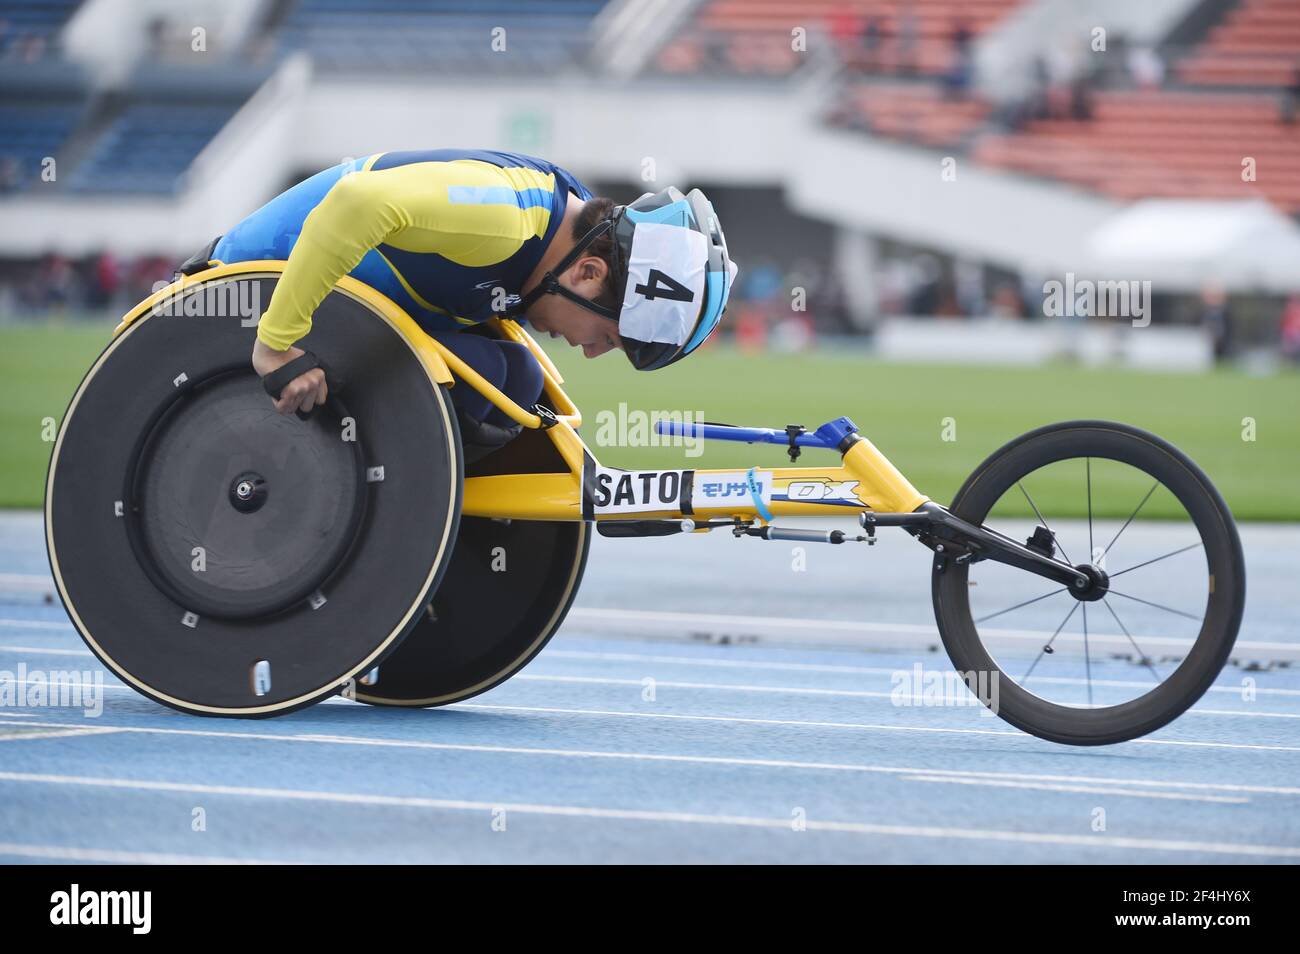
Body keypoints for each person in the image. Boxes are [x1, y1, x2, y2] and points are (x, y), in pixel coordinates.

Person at [186, 148, 736, 460]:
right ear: (588, 272)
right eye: (609, 338)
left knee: (513, 378)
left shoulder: (553, 243)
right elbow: (357, 202)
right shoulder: (508, 220)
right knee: (488, 376)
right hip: (234, 301)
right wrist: (275, 343)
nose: (592, 353)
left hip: (343, 312)